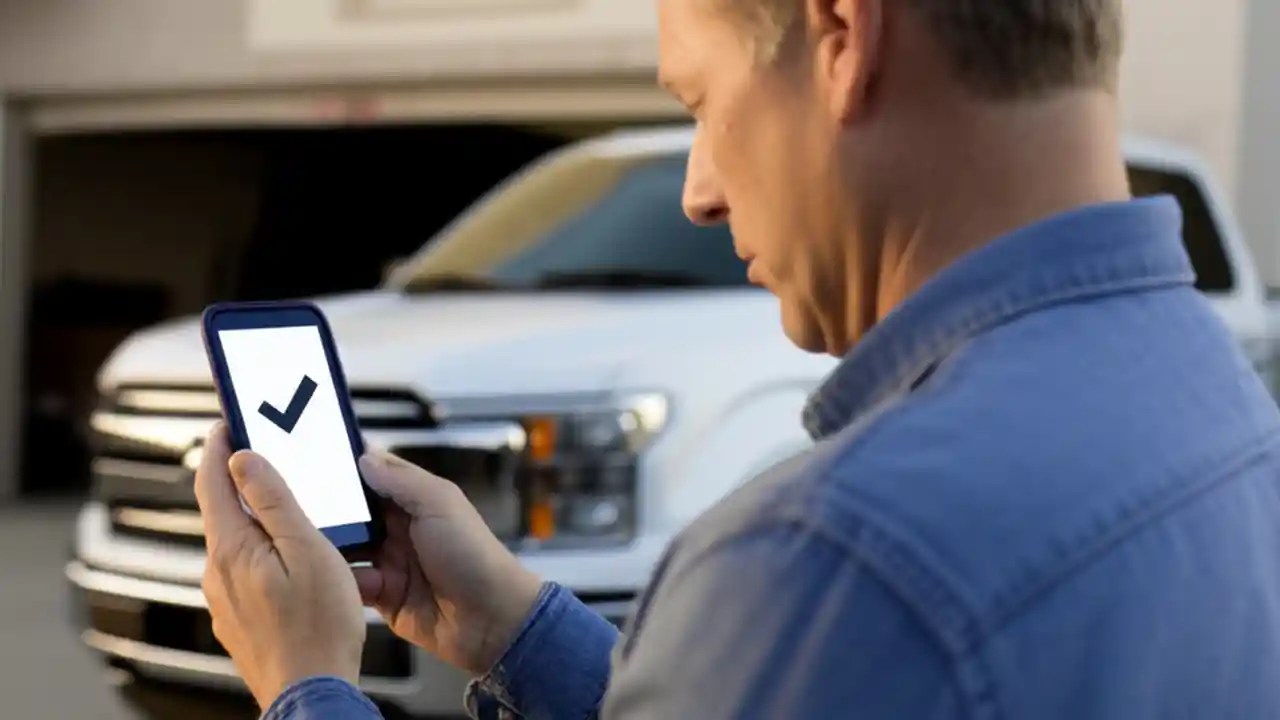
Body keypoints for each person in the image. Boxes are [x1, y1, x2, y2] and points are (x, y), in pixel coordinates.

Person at [195, 0, 1280, 717]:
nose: (698, 189)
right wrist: (514, 631)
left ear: (843, 37)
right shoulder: (1221, 402)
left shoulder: (826, 567)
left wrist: (305, 685)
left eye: (701, 102)